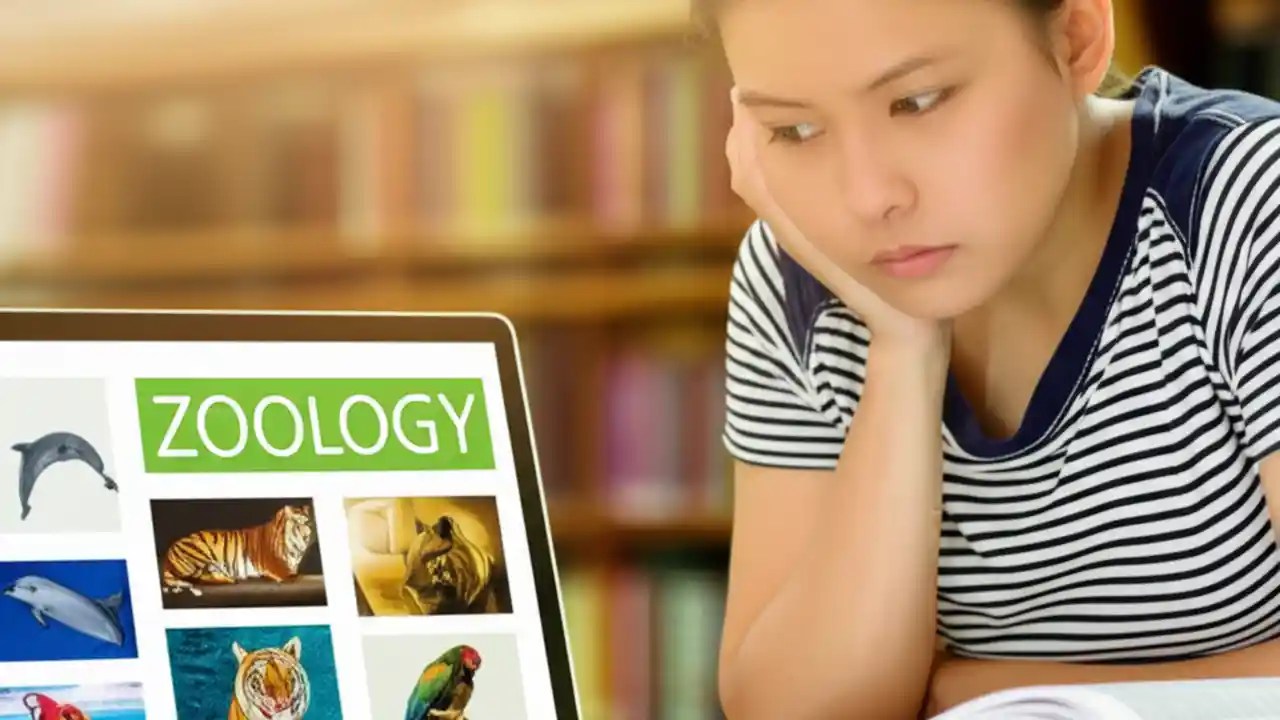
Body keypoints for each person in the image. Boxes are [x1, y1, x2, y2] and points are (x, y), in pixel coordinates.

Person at [703, 0, 1280, 718]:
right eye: (795, 129)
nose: (868, 196)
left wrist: (968, 687)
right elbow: (795, 711)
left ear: (1075, 38)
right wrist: (904, 348)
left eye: (916, 102)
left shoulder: (1249, 204)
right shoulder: (801, 274)